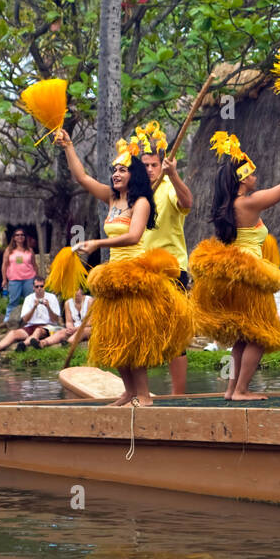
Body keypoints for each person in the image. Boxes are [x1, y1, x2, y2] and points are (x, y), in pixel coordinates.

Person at [55, 125, 192, 406]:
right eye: (114, 169)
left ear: (134, 175)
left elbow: (133, 237)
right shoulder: (111, 198)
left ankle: (144, 396)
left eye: (123, 170)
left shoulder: (141, 201)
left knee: (130, 337)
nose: (116, 174)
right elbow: (81, 177)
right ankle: (128, 392)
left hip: (135, 276)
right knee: (113, 335)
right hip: (114, 277)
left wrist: (96, 244)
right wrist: (69, 145)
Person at [192, 131, 280, 401]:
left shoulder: (229, 206)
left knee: (243, 336)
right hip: (251, 279)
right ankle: (241, 389)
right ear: (241, 180)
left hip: (236, 279)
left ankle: (232, 390)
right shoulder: (249, 203)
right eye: (251, 173)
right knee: (259, 337)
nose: (256, 177)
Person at [138, 124, 195, 394]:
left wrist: (173, 175)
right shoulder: (136, 194)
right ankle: (140, 391)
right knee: (141, 330)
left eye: (154, 165)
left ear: (161, 165)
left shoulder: (168, 188)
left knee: (175, 334)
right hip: (142, 271)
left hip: (172, 271)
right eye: (145, 165)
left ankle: (178, 394)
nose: (150, 169)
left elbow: (187, 203)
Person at [0, 276, 61, 357]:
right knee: (13, 333)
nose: (39, 288)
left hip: (47, 327)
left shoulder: (51, 297)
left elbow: (55, 319)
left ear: (44, 287)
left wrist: (48, 307)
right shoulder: (29, 298)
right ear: (33, 287)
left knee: (38, 330)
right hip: (31, 326)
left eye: (41, 286)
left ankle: (23, 345)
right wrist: (34, 307)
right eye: (37, 286)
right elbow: (25, 319)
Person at [0, 229, 37, 326]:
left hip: (29, 278)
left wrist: (37, 278)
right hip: (14, 279)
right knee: (13, 300)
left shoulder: (29, 250)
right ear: (14, 237)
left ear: (25, 237)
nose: (20, 237)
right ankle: (7, 320)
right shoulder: (9, 250)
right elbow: (4, 265)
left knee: (29, 300)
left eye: (22, 235)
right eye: (17, 235)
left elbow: (34, 264)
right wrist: (4, 279)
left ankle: (30, 320)